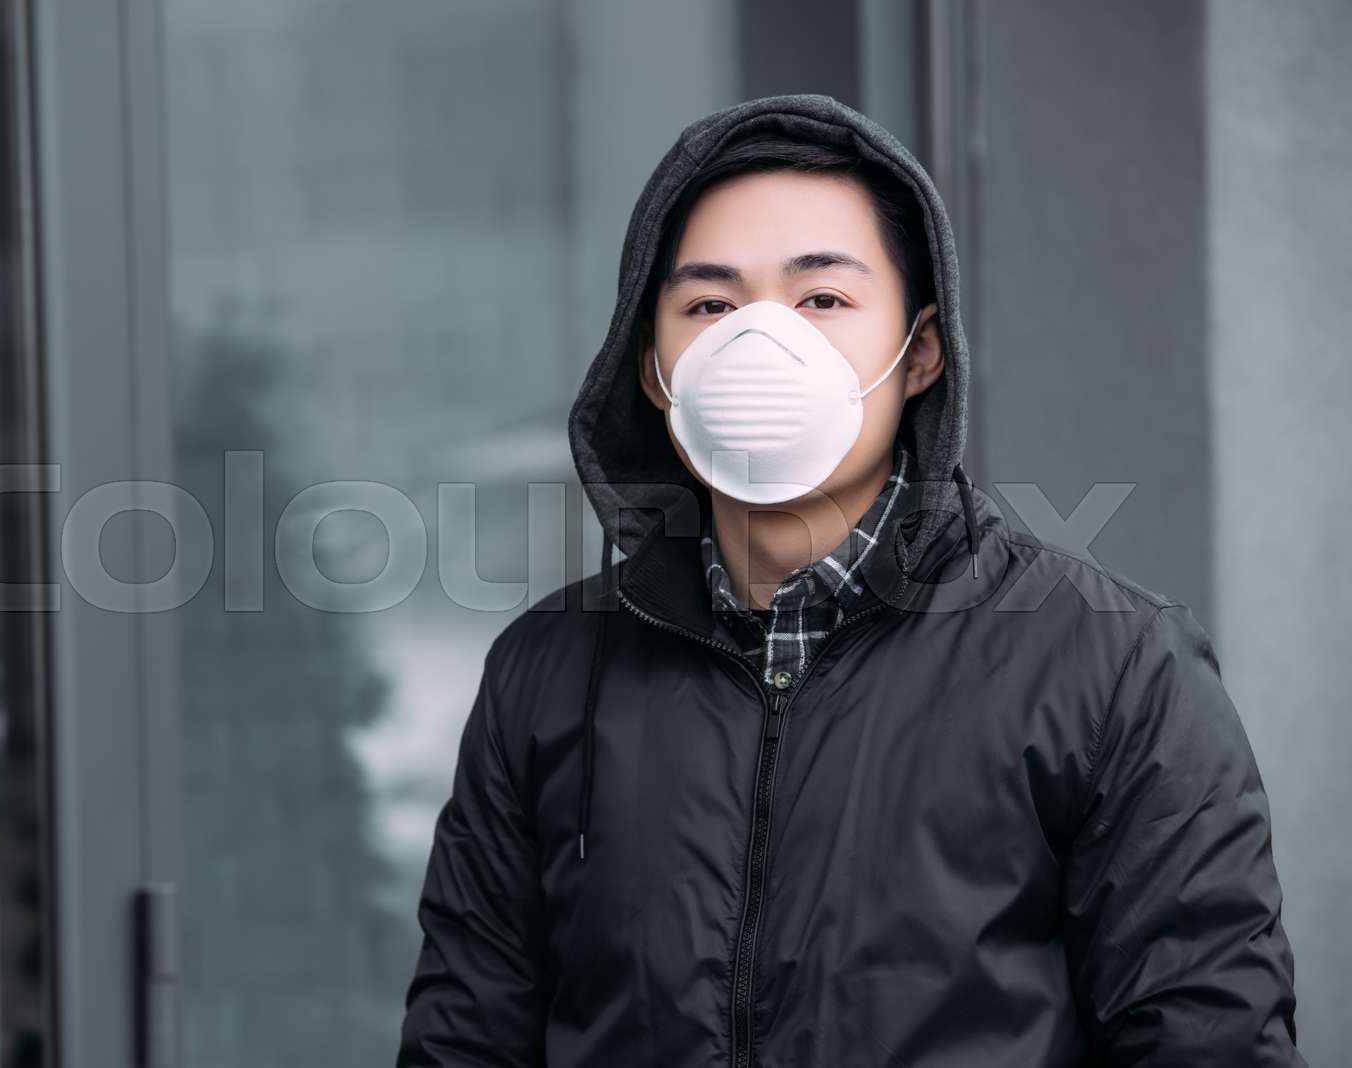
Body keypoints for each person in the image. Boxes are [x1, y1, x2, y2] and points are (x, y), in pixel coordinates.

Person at [397, 94, 1304, 1066]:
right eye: (708, 305)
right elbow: (465, 1042)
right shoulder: (547, 672)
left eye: (821, 299)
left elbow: (1208, 1042)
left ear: (918, 353)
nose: (759, 344)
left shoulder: (1113, 666)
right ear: (654, 368)